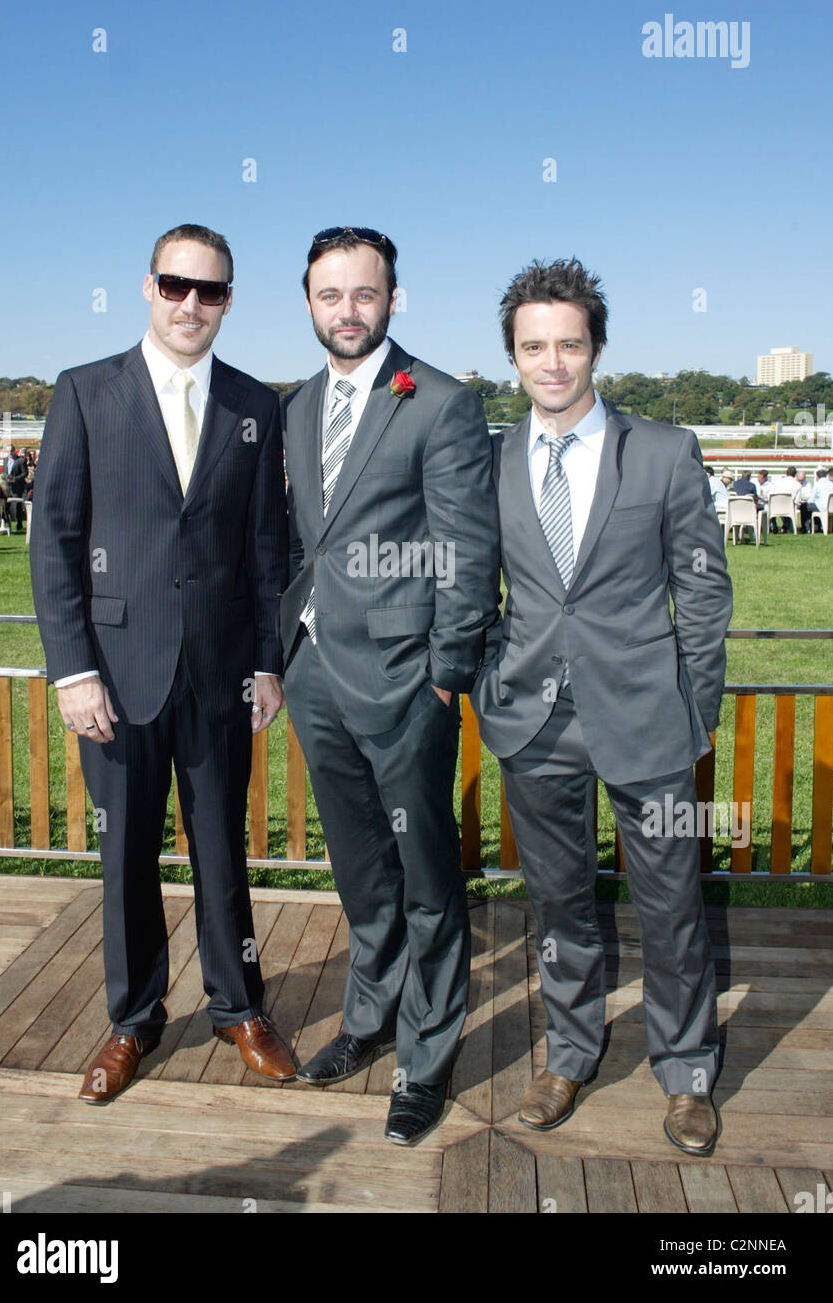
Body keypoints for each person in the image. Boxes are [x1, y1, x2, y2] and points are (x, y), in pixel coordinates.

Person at [470, 257, 733, 1156]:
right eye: (533, 346)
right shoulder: (491, 459)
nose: (552, 362)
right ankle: (569, 1053)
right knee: (557, 904)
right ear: (512, 357)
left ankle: (687, 1069)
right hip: (532, 722)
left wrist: (694, 706)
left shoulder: (661, 451)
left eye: (568, 344)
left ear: (595, 350)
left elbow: (702, 590)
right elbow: (471, 590)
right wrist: (484, 682)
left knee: (671, 902)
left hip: (648, 718)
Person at [30, 223, 294, 1104]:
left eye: (210, 290)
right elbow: (55, 542)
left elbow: (266, 549)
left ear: (227, 301)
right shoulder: (84, 392)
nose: (191, 304)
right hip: (113, 677)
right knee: (125, 857)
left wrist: (265, 661)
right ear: (147, 287)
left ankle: (238, 1007)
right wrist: (72, 671)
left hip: (220, 675)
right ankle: (132, 1021)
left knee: (223, 852)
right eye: (176, 285)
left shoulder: (257, 406)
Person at [281, 225, 499, 1146]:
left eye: (364, 294)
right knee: (361, 870)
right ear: (308, 304)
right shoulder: (295, 408)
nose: (347, 311)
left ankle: (425, 1055)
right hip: (314, 674)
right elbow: (304, 540)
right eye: (330, 295)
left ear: (392, 299)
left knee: (423, 875)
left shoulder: (438, 401)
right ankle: (368, 1023)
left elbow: (465, 547)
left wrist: (444, 678)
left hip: (407, 681)